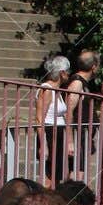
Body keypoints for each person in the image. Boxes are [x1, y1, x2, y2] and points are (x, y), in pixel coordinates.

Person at [65, 50, 103, 162]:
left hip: (82, 136)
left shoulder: (83, 83)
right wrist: (70, 141)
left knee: (79, 171)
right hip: (77, 135)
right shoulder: (77, 83)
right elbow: (68, 111)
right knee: (76, 173)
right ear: (94, 67)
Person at [36, 55, 73, 185]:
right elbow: (40, 117)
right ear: (62, 73)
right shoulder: (47, 89)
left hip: (58, 133)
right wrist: (43, 144)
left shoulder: (57, 90)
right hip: (50, 132)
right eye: (68, 71)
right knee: (50, 175)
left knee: (57, 174)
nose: (69, 74)